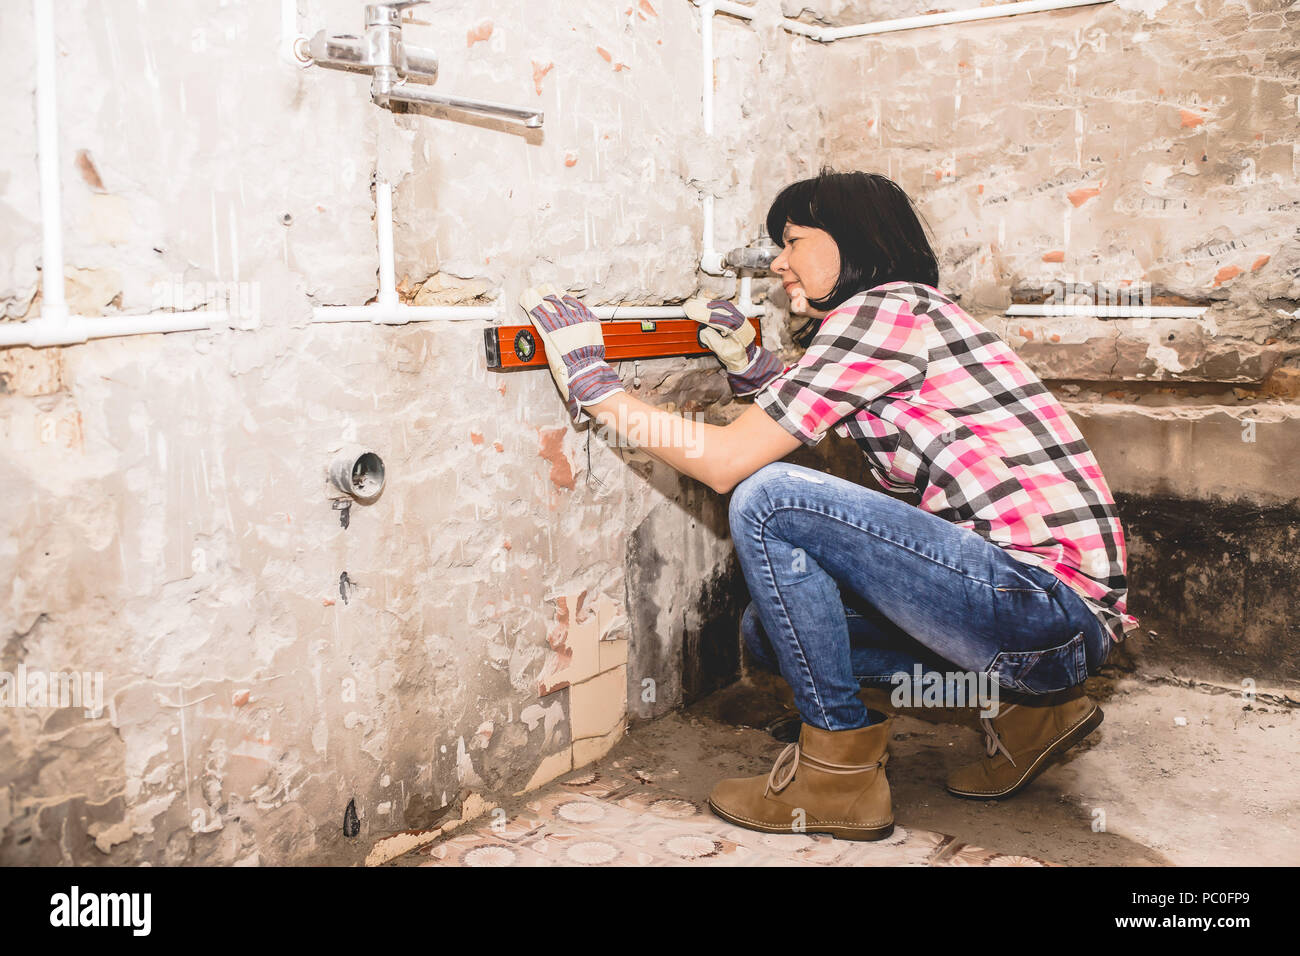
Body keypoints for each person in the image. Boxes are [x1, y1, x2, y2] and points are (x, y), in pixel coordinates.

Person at [518, 167, 1139, 842]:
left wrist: (596, 385)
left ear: (853, 238)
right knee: (771, 631)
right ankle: (1031, 711)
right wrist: (754, 368)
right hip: (1053, 630)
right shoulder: (912, 318)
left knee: (767, 495)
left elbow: (729, 464)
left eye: (792, 240)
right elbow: (841, 413)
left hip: (1039, 605)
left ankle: (837, 779)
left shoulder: (883, 310)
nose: (780, 262)